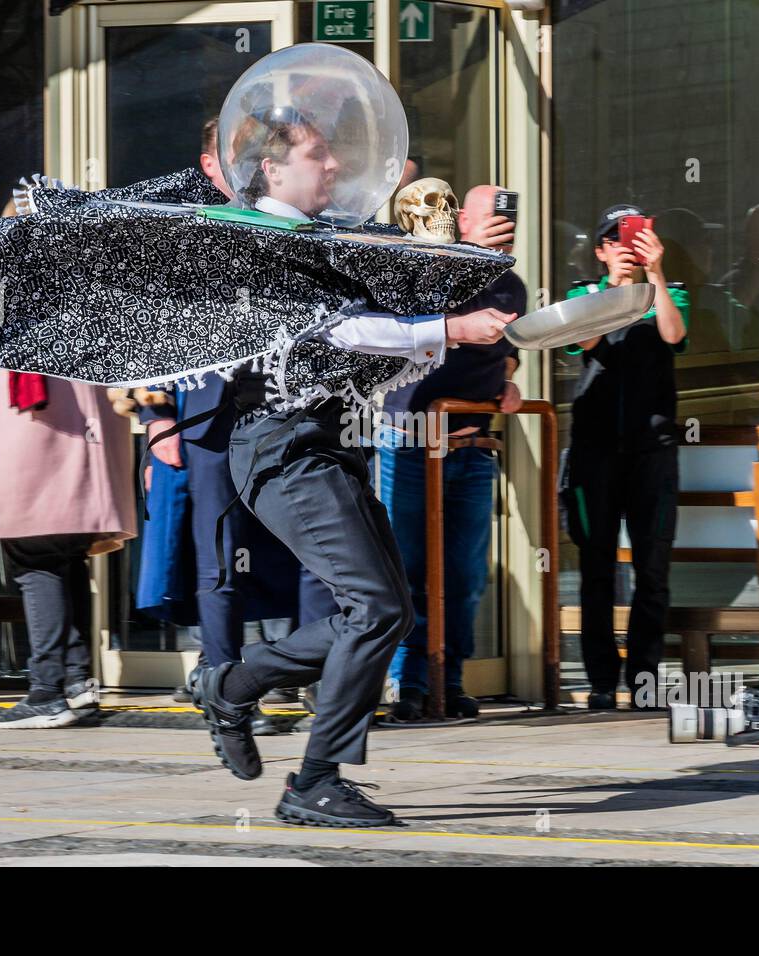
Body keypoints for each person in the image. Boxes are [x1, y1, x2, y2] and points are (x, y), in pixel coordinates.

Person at [194, 110, 516, 827]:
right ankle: (314, 781)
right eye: (317, 156)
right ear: (273, 169)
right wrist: (451, 328)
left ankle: (233, 684)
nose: (334, 167)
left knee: (386, 610)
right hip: (282, 446)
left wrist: (462, 263)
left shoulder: (319, 237)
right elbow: (334, 328)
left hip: (326, 444)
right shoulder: (258, 237)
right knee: (374, 609)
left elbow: (380, 329)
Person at [140, 119, 334, 714]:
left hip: (284, 408)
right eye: (235, 155)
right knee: (218, 555)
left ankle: (313, 681)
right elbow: (151, 328)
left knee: (311, 552)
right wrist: (154, 414)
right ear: (211, 165)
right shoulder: (190, 229)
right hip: (207, 411)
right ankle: (223, 684)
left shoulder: (296, 226)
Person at [0, 203, 137, 729]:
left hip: (28, 446)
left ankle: (47, 689)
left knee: (35, 562)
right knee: (64, 558)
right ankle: (77, 683)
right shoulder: (93, 284)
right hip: (83, 451)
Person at [378, 183, 526, 720]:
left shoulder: (511, 287)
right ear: (462, 219)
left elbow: (505, 355)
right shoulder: (425, 270)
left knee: (464, 574)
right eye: (493, 215)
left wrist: (507, 381)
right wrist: (465, 260)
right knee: (408, 569)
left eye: (510, 216)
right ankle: (408, 683)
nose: (504, 224)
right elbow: (412, 322)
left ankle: (451, 677)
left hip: (472, 448)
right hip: (411, 444)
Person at [562, 204, 689, 710]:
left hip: (651, 451)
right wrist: (615, 289)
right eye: (616, 241)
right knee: (596, 568)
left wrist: (655, 274)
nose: (626, 248)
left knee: (652, 568)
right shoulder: (583, 297)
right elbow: (584, 339)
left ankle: (644, 678)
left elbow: (674, 335)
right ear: (600, 252)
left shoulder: (666, 291)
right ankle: (599, 680)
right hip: (595, 452)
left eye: (634, 239)